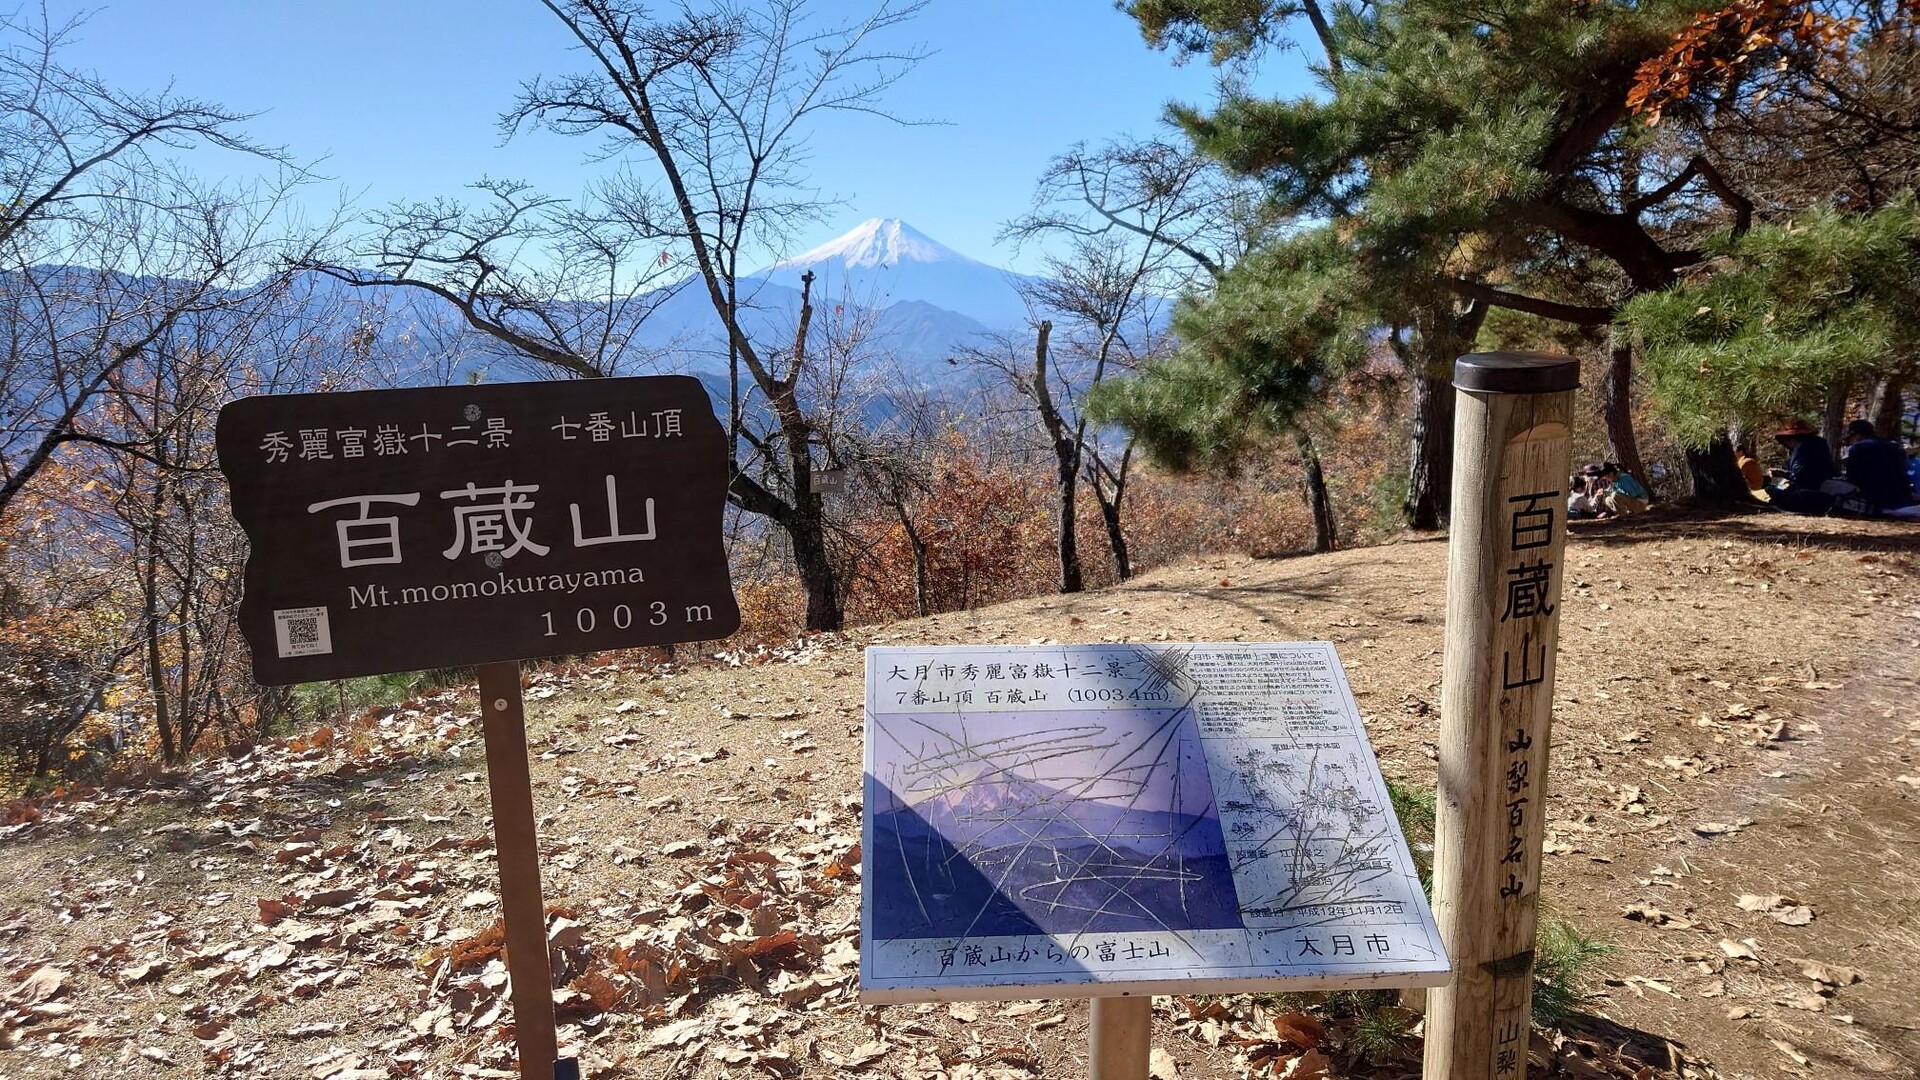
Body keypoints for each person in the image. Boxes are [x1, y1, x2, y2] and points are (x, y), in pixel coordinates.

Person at [1839, 419, 1916, 514]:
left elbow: (1854, 478)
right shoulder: (1894, 447)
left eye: (1849, 440)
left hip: (1875, 501)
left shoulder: (1858, 448)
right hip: (1903, 498)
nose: (1849, 443)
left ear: (1856, 436)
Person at [1765, 418, 1835, 514]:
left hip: (1806, 493)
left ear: (1791, 439)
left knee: (1770, 490)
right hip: (1825, 493)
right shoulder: (1821, 445)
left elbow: (1801, 477)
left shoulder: (1801, 449)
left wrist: (1783, 474)